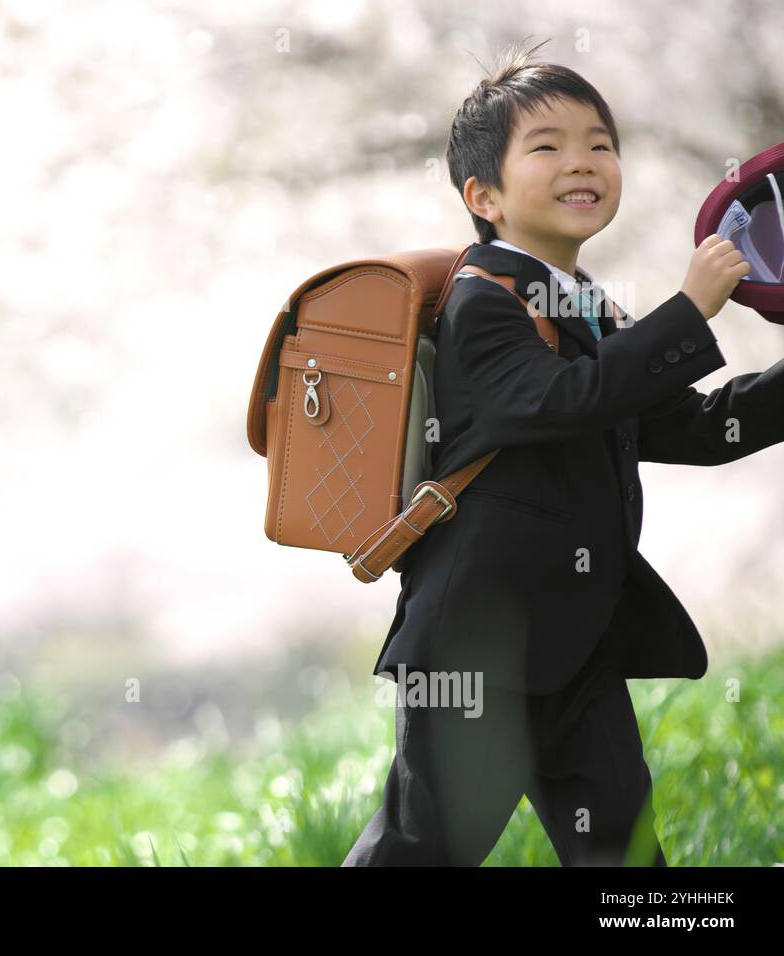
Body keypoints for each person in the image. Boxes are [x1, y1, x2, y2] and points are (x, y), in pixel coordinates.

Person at [343, 38, 784, 866]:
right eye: (547, 147)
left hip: (575, 641)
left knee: (622, 852)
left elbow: (690, 427)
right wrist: (689, 310)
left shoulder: (584, 306)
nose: (583, 162)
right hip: (475, 648)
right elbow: (557, 402)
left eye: (601, 145)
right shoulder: (483, 300)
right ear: (485, 194)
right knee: (420, 850)